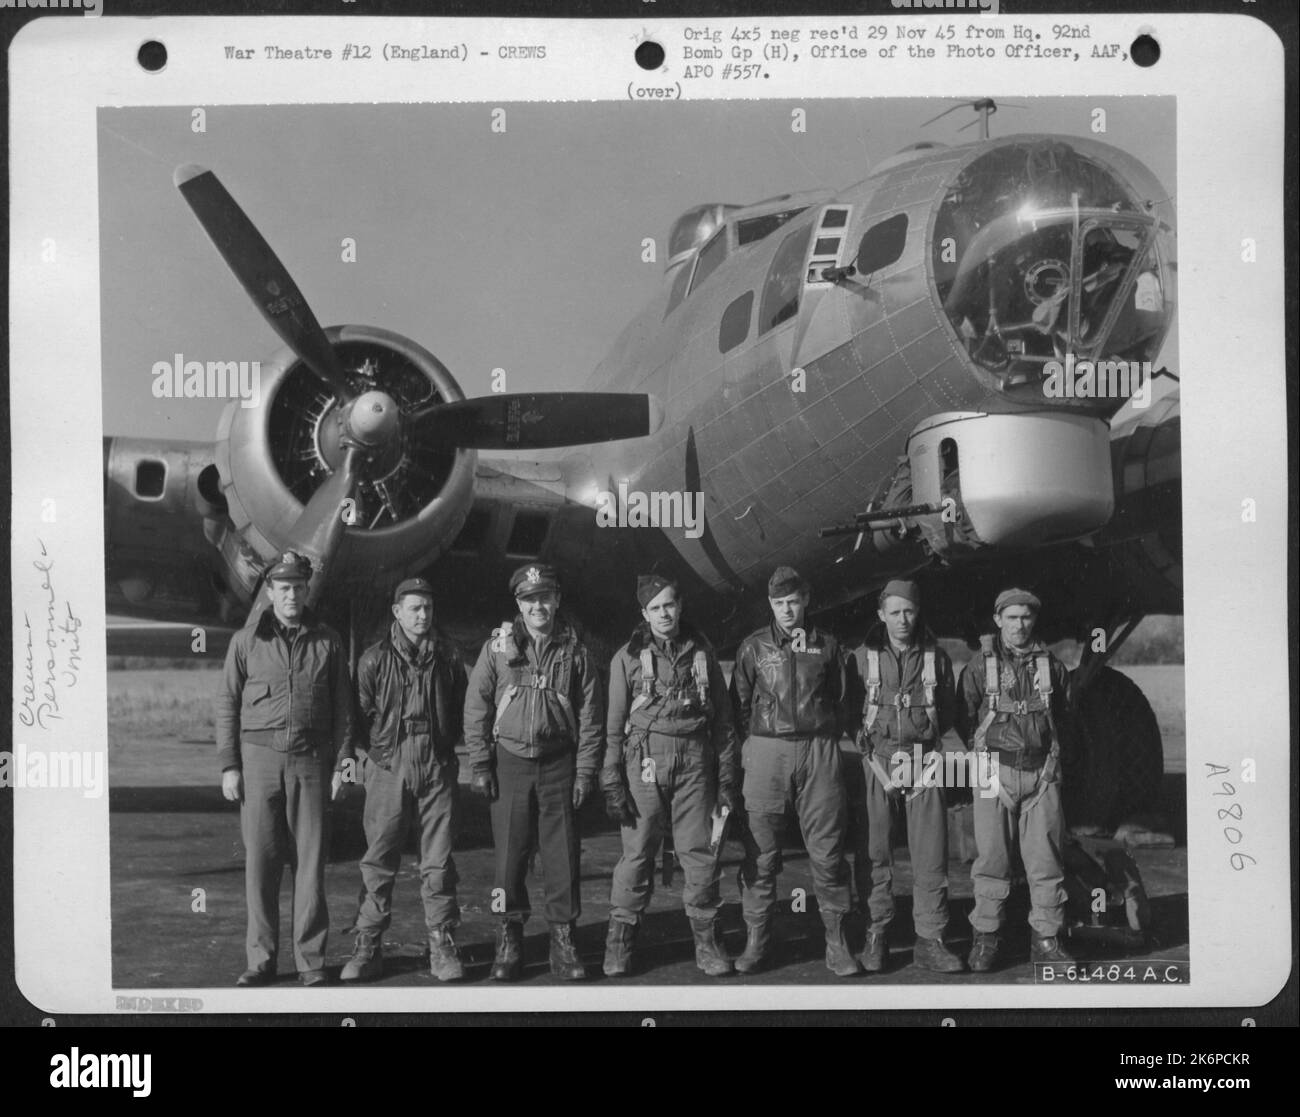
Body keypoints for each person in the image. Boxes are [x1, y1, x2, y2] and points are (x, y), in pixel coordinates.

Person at [215, 551, 354, 987]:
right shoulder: (245, 641)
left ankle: (311, 962)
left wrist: (343, 766)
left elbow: (344, 712)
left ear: (306, 590)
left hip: (311, 761)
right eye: (283, 587)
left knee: (310, 866)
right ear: (270, 592)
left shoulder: (328, 641)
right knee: (260, 863)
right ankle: (260, 961)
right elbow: (226, 705)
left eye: (298, 587)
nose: (291, 594)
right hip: (258, 762)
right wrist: (228, 766)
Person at [464, 564, 604, 981]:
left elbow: (591, 716)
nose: (538, 606)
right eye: (529, 599)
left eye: (545, 597)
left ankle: (564, 939)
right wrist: (480, 763)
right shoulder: (496, 649)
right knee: (509, 860)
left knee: (562, 858)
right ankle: (508, 938)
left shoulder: (576, 652)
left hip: (559, 763)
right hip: (510, 763)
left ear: (557, 601)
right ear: (518, 604)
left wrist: (584, 773)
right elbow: (476, 707)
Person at [600, 575, 740, 978]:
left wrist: (727, 777)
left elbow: (725, 723)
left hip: (695, 759)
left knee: (699, 850)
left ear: (679, 608)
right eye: (655, 608)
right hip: (645, 758)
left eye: (669, 605)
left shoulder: (703, 654)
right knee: (639, 849)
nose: (664, 613)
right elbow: (613, 727)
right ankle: (620, 940)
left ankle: (707, 941)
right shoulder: (626, 658)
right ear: (644, 614)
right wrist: (611, 780)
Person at [730, 566, 858, 977]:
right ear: (770, 604)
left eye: (794, 601)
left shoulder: (828, 646)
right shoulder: (753, 648)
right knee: (760, 853)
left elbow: (842, 699)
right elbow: (740, 705)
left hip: (819, 751)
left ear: (806, 601)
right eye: (779, 603)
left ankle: (837, 942)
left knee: (828, 851)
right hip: (767, 751)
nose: (787, 610)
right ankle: (757, 940)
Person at [341, 578, 469, 983]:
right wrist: (379, 754)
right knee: (379, 859)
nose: (423, 615)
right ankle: (368, 943)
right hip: (389, 763)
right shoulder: (373, 660)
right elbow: (358, 716)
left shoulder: (449, 657)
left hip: (436, 763)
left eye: (428, 608)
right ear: (397, 612)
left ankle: (442, 942)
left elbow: (462, 706)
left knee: (439, 861)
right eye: (414, 608)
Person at [847, 580, 962, 974]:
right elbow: (849, 713)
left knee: (930, 857)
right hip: (877, 762)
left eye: (909, 611)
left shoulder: (937, 659)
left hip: (924, 762)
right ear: (881, 614)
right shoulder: (862, 658)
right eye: (894, 612)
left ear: (918, 612)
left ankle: (931, 939)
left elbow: (945, 712)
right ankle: (876, 934)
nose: (902, 619)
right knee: (875, 854)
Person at [956, 587, 1074, 972]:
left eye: (1025, 617)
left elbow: (1066, 717)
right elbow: (964, 715)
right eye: (1011, 617)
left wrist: (1048, 763)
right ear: (997, 620)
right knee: (991, 860)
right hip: (993, 772)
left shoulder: (1051, 666)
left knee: (1046, 862)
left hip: (1041, 774)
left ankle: (1047, 938)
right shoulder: (979, 666)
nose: (1019, 624)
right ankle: (986, 937)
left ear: (1033, 620)